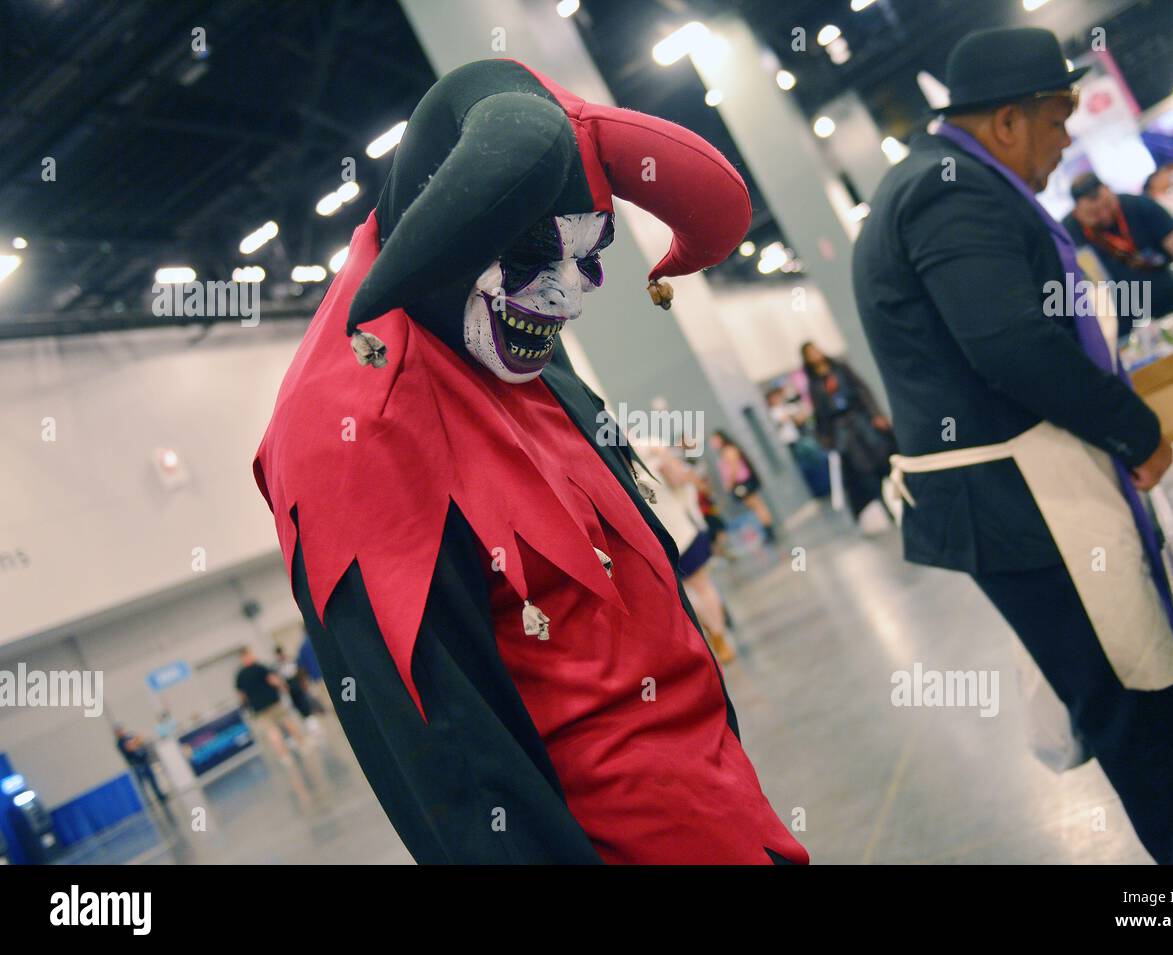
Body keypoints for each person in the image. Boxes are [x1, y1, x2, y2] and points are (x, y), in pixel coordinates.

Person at [252, 59, 807, 865]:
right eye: (531, 258)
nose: (570, 297)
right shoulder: (353, 430)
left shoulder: (515, 346)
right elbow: (458, 776)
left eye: (589, 258)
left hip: (725, 813)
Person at [853, 26, 1173, 864]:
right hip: (1022, 498)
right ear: (1006, 123)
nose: (1066, 144)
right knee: (1138, 706)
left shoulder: (942, 181)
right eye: (1058, 123)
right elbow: (1010, 344)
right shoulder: (949, 191)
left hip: (1023, 492)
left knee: (1137, 703)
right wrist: (1133, 426)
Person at [1064, 172, 1173, 335]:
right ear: (1077, 211)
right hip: (1125, 327)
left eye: (1107, 206)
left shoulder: (1139, 206)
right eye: (1094, 213)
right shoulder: (1069, 235)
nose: (1104, 215)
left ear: (1109, 190)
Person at [643, 447, 737, 663]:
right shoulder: (616, 452)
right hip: (659, 539)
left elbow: (680, 480)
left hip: (678, 532)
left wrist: (663, 457)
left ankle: (718, 636)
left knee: (698, 587)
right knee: (689, 592)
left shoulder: (648, 446)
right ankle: (715, 634)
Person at [801, 341, 894, 533]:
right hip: (843, 431)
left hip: (861, 421)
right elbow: (820, 413)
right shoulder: (814, 383)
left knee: (885, 460)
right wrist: (826, 438)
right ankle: (885, 509)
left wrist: (876, 414)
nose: (814, 355)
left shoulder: (840, 368)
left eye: (815, 350)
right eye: (809, 353)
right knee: (865, 472)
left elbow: (862, 390)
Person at [234, 646, 309, 761]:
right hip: (274, 702)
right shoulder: (260, 667)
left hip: (258, 708)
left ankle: (285, 757)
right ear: (247, 655)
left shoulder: (240, 675)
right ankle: (303, 745)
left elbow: (241, 695)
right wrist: (284, 687)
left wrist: (247, 706)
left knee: (272, 732)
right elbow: (273, 680)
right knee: (287, 722)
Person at [710, 429, 777, 545]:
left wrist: (730, 483)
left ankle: (769, 531)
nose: (713, 443)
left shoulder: (729, 450)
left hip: (742, 483)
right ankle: (767, 530)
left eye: (714, 440)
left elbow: (734, 468)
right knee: (755, 506)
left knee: (757, 505)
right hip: (741, 483)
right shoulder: (725, 451)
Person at [113, 725, 167, 807]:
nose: (121, 732)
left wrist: (135, 742)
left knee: (153, 780)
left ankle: (159, 796)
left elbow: (139, 741)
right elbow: (130, 748)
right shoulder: (120, 743)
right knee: (142, 785)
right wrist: (134, 743)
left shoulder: (128, 736)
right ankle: (148, 803)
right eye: (119, 731)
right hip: (136, 765)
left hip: (143, 761)